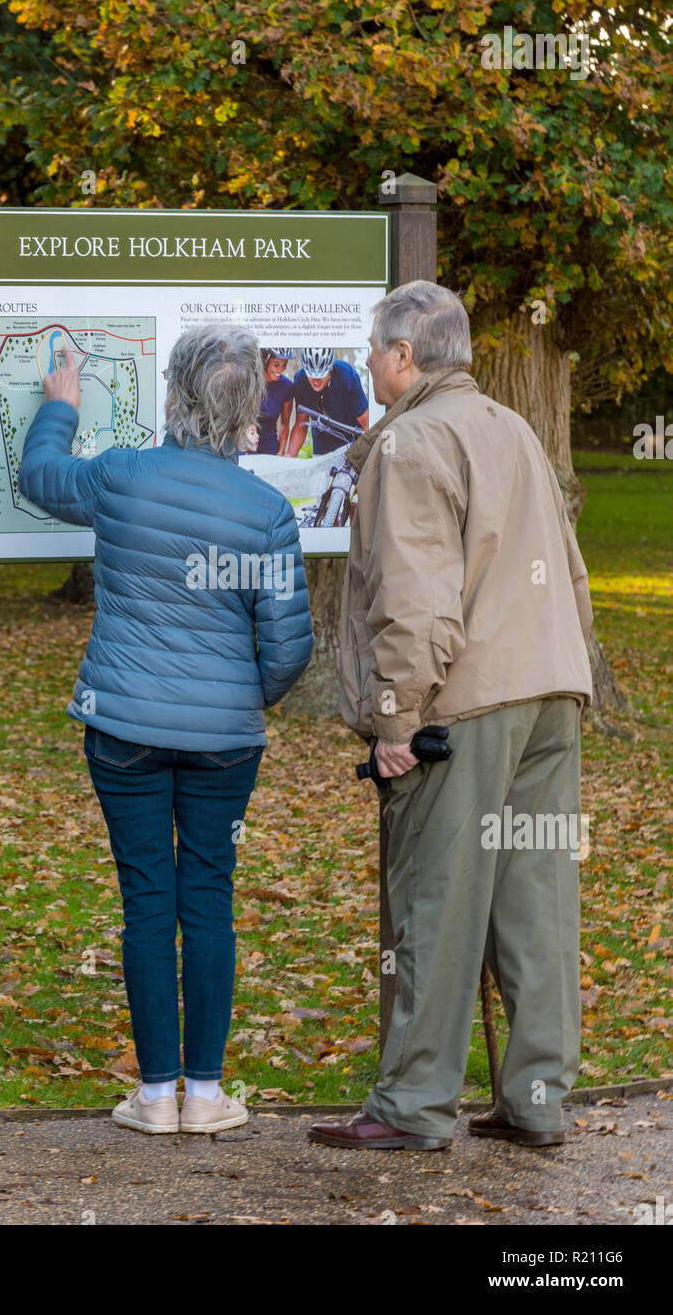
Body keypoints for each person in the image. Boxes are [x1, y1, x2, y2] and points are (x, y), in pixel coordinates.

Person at [309, 280, 593, 1152]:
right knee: (536, 902)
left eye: (373, 349)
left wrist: (394, 721)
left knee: (437, 899)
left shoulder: (412, 443)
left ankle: (412, 1106)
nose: (365, 361)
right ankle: (536, 1097)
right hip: (549, 691)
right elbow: (571, 573)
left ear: (403, 358)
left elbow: (417, 604)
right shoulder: (513, 429)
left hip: (464, 703)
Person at [18, 323, 314, 1136]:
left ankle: (153, 1095)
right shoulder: (264, 512)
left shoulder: (121, 477)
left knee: (147, 900)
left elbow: (40, 476)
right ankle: (206, 1093)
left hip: (123, 731)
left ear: (175, 394)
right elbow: (289, 647)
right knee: (208, 898)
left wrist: (61, 402)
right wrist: (233, 698)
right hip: (225, 745)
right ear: (248, 405)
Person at [286, 348, 368, 456]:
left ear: (331, 369)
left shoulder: (347, 376)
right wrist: (289, 457)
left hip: (351, 440)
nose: (315, 381)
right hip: (322, 443)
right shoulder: (301, 380)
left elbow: (366, 423)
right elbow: (301, 423)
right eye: (311, 375)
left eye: (321, 375)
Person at [250, 348, 295, 455]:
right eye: (276, 364)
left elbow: (285, 423)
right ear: (265, 361)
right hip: (245, 442)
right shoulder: (249, 380)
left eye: (284, 365)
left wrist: (280, 452)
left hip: (269, 445)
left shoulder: (286, 386)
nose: (280, 370)